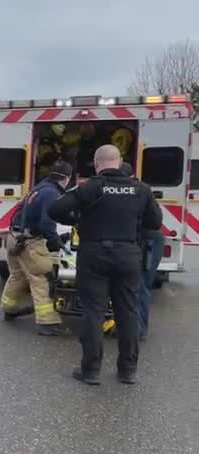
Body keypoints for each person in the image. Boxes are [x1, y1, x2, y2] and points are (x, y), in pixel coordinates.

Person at [49, 145, 162, 385]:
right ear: (119, 162)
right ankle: (128, 370)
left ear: (97, 163)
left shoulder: (90, 187)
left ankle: (90, 371)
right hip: (128, 255)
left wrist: (76, 219)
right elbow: (155, 223)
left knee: (93, 312)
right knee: (128, 312)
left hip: (94, 254)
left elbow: (55, 209)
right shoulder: (141, 189)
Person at [1, 161, 74, 336]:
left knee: (18, 275)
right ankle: (47, 322)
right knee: (41, 277)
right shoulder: (52, 193)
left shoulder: (39, 189)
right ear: (66, 178)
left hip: (14, 237)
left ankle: (9, 308)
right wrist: (55, 241)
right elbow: (46, 223)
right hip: (29, 241)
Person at [118, 162, 163, 341]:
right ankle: (132, 326)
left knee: (141, 285)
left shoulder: (140, 191)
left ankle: (139, 330)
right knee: (132, 285)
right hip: (140, 241)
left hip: (148, 241)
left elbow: (154, 220)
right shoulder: (134, 190)